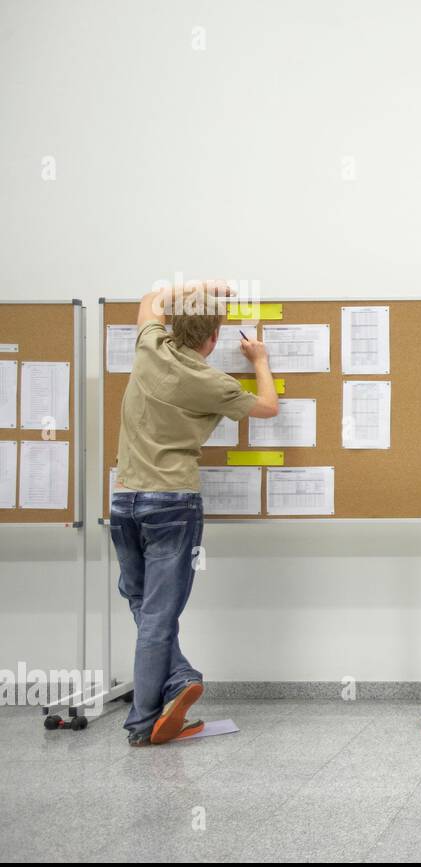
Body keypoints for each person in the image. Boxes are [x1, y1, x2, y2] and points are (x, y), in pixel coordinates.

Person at [112, 280, 279, 746]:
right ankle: (144, 724)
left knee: (139, 599)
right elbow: (267, 407)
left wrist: (200, 287)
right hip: (172, 501)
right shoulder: (211, 382)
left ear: (173, 327)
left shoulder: (150, 347)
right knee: (160, 614)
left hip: (124, 500)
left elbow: (149, 298)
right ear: (214, 339)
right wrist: (260, 362)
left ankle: (180, 678)